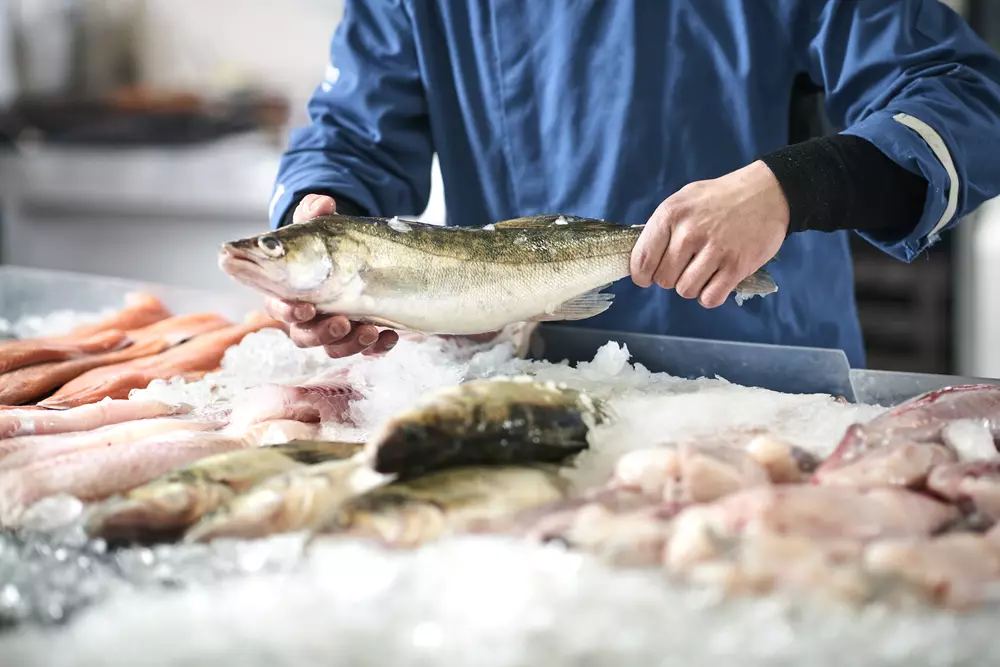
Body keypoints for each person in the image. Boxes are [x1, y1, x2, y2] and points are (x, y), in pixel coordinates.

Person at [263, 0, 1000, 366]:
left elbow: (963, 94)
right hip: (521, 376)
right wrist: (324, 223)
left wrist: (791, 185)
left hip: (760, 377)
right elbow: (354, 134)